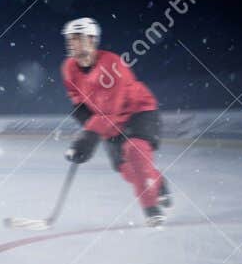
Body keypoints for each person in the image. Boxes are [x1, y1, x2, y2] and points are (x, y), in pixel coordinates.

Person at [60, 17, 172, 227]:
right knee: (128, 171)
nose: (72, 44)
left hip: (138, 112)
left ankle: (151, 209)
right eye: (70, 39)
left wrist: (87, 138)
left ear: (92, 40)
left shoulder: (112, 64)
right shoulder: (69, 68)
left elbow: (111, 111)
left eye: (78, 38)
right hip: (106, 121)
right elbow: (77, 97)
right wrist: (83, 117)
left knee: (135, 153)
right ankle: (158, 182)